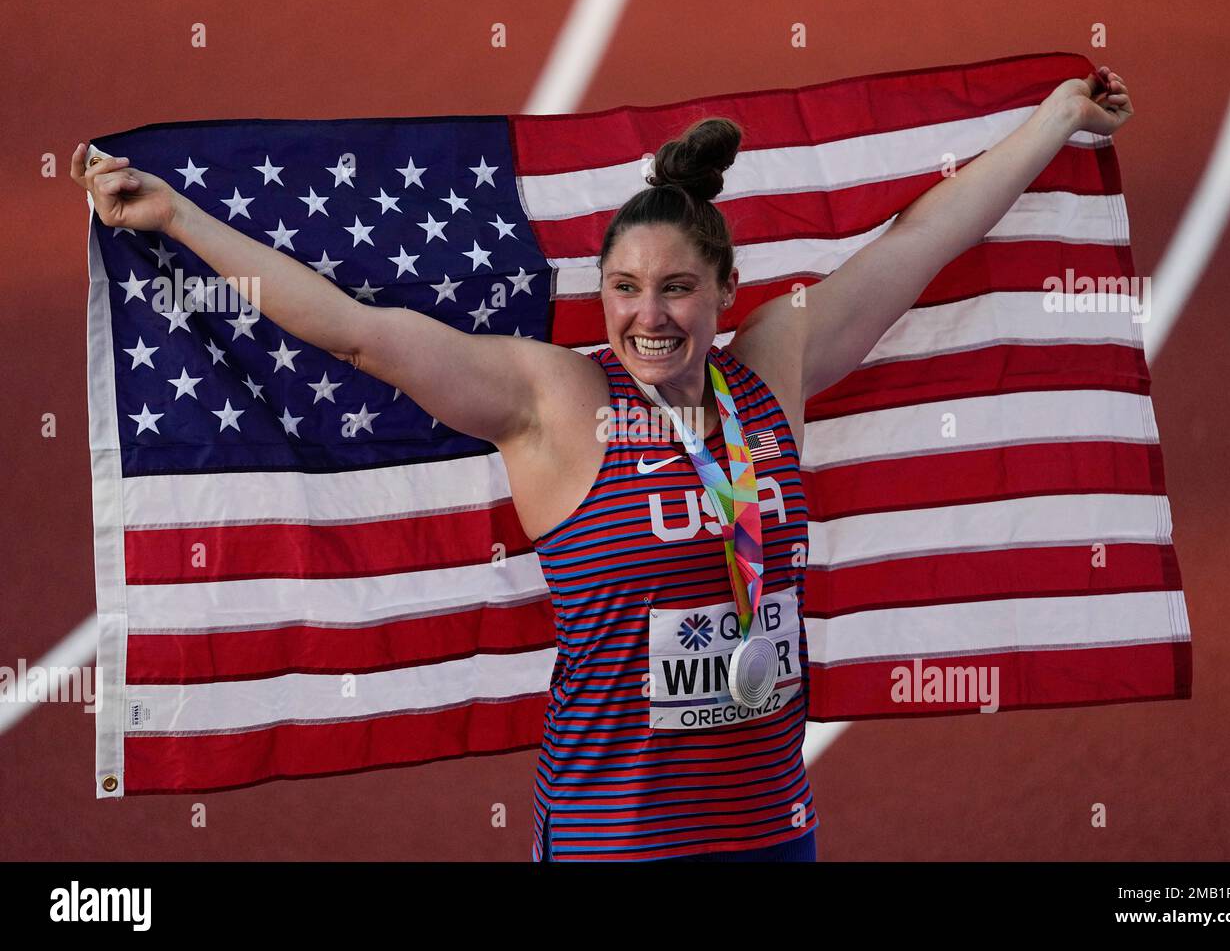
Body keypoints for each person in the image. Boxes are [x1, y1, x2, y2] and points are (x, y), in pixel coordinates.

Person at [71, 68, 1132, 861]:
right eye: (624, 288)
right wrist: (177, 219)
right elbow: (358, 331)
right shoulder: (555, 403)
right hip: (613, 841)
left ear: (722, 289)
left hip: (770, 833)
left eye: (675, 287)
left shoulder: (773, 369)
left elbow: (921, 242)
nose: (648, 314)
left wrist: (1055, 118)